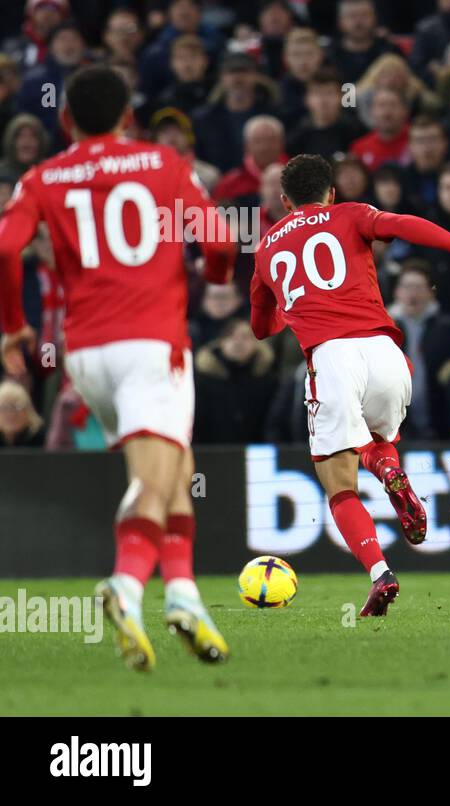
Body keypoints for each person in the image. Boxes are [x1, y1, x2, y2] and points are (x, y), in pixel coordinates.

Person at [0, 65, 236, 671]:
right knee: (154, 482)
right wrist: (213, 276)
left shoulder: (44, 176)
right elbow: (218, 240)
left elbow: (5, 246)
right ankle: (126, 587)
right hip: (152, 346)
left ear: (65, 118)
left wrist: (13, 327)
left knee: (174, 470)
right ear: (129, 116)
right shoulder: (163, 164)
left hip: (85, 358)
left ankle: (183, 595)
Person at [248, 154, 450, 616]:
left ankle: (380, 573)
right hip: (386, 352)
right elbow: (407, 225)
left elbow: (259, 327)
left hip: (331, 359)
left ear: (284, 201)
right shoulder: (352, 214)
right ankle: (390, 471)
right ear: (332, 193)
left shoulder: (268, 245)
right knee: (379, 440)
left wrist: (288, 310)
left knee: (338, 484)